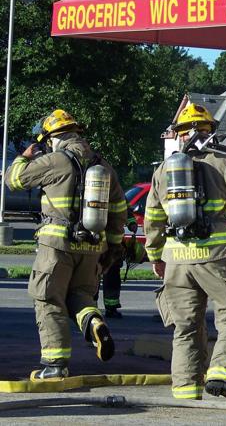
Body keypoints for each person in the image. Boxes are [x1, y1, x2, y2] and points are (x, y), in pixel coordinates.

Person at [144, 103, 226, 406]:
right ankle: (222, 373)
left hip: (176, 259)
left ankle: (185, 393)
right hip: (213, 255)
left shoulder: (163, 170)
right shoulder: (223, 161)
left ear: (179, 135)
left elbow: (152, 218)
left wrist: (155, 257)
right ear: (210, 131)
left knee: (185, 325)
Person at [5, 109, 126, 380]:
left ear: (51, 138)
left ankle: (55, 365)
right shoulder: (103, 166)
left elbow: (13, 181)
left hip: (56, 246)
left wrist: (22, 159)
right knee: (80, 297)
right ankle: (94, 322)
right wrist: (112, 249)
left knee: (48, 300)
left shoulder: (54, 161)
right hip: (93, 247)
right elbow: (119, 212)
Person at [99, 201, 139, 318]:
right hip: (97, 238)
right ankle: (90, 306)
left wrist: (131, 223)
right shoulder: (90, 187)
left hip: (113, 240)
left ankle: (111, 306)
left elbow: (124, 206)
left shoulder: (114, 189)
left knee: (112, 275)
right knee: (91, 274)